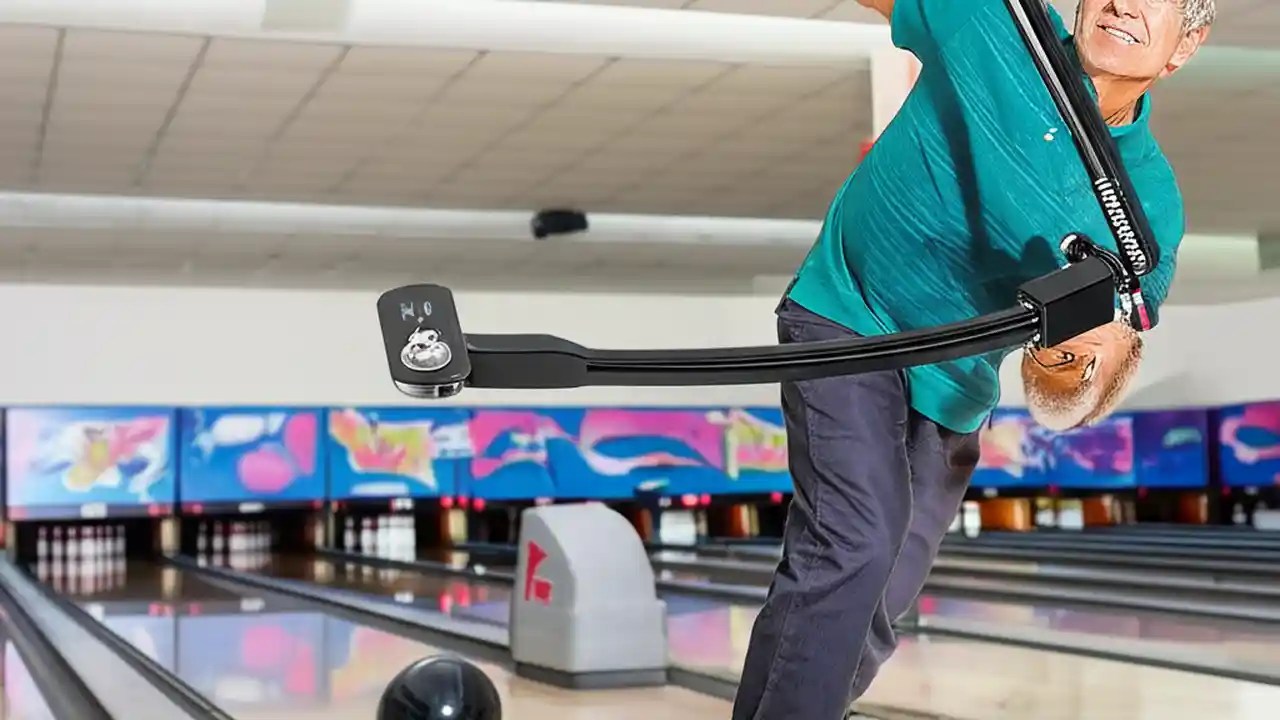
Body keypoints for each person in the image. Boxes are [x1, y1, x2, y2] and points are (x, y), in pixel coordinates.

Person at [732, 1, 1214, 719]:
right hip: (846, 315)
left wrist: (1068, 360)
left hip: (953, 385)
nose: (1121, 3)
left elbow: (1063, 397)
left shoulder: (1146, 212)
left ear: (1185, 47)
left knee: (879, 590)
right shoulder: (1000, 22)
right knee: (858, 542)